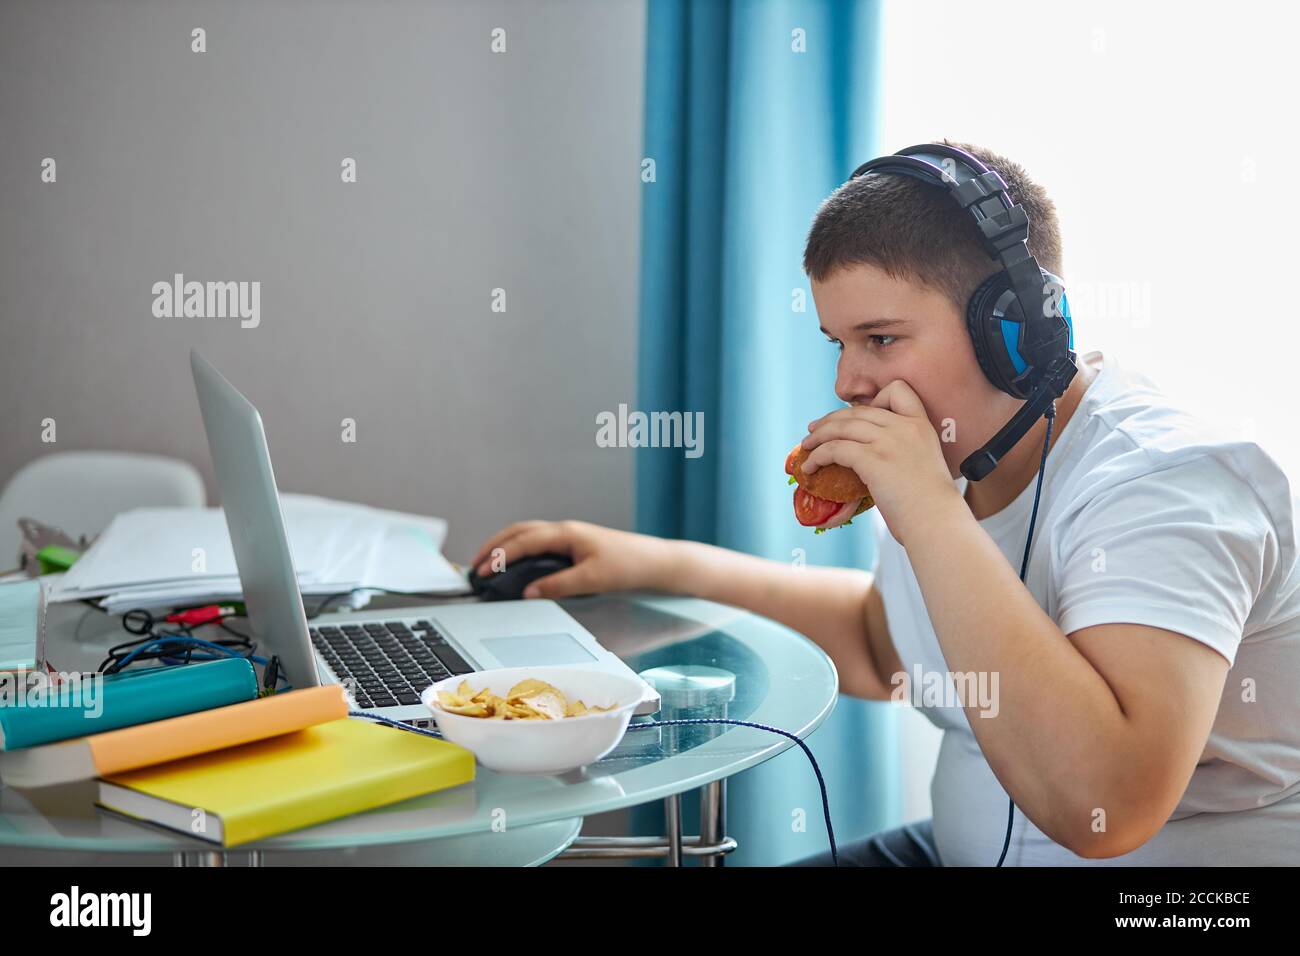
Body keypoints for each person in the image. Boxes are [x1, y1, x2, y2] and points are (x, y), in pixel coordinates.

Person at [468, 140, 1300, 865]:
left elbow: (1107, 807)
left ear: (1017, 329)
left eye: (881, 338)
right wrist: (657, 562)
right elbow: (886, 648)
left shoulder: (1167, 483)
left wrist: (931, 514)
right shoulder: (959, 457)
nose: (846, 382)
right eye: (839, 342)